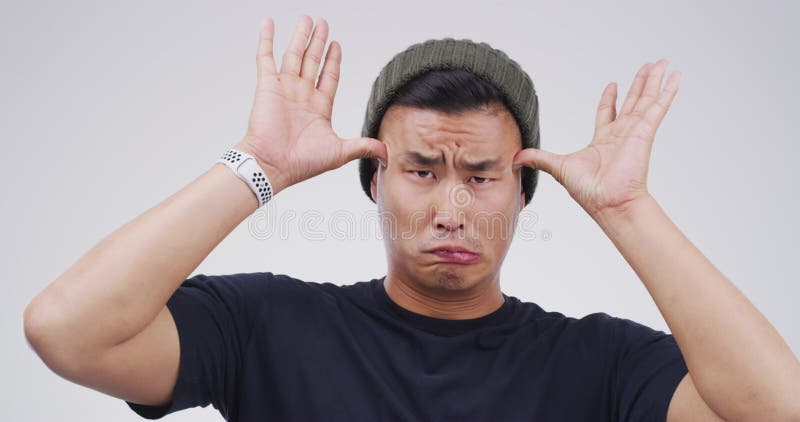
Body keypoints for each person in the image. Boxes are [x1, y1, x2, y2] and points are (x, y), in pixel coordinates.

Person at [22, 14, 800, 422]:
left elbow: (777, 409)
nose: (451, 210)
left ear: (524, 191)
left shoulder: (601, 364)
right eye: (422, 171)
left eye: (482, 176)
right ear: (375, 180)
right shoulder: (269, 328)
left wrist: (627, 209)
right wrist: (259, 165)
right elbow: (66, 329)